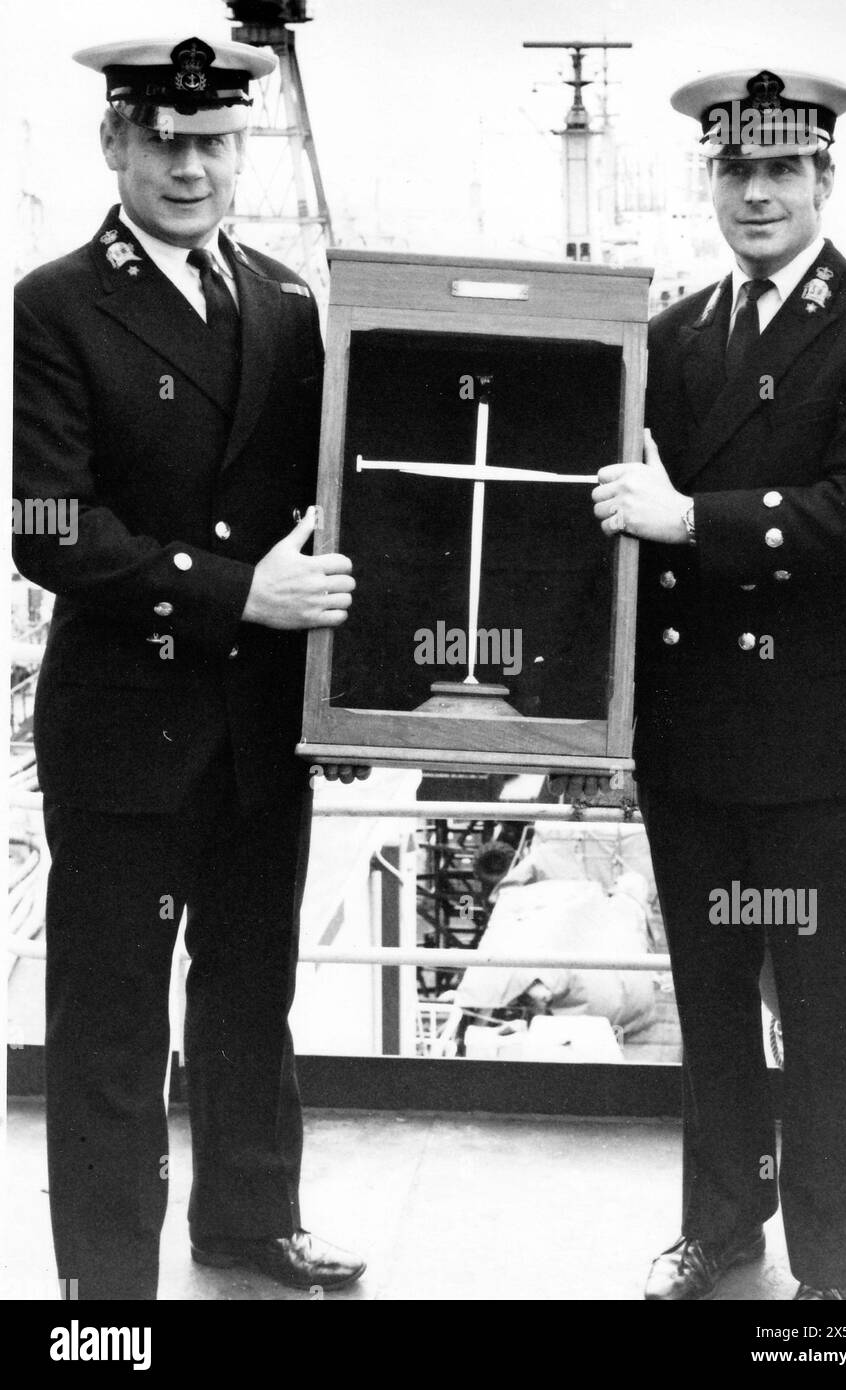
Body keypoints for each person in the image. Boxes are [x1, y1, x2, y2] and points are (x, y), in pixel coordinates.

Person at [13, 35, 365, 1301]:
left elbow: (335, 505)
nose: (190, 165)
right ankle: (107, 1299)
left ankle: (248, 1220)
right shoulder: (57, 302)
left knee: (249, 990)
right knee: (112, 1023)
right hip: (128, 723)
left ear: (243, 148)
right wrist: (234, 593)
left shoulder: (282, 299)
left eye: (214, 140)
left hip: (265, 720)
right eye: (164, 139)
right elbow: (47, 528)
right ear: (114, 143)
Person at [591, 68, 846, 1300]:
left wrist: (691, 517)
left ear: (823, 180)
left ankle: (838, 1274)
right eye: (736, 171)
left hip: (823, 738)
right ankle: (721, 1227)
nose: (757, 193)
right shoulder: (675, 333)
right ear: (713, 180)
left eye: (783, 170)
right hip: (693, 738)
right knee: (711, 994)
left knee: (830, 1008)